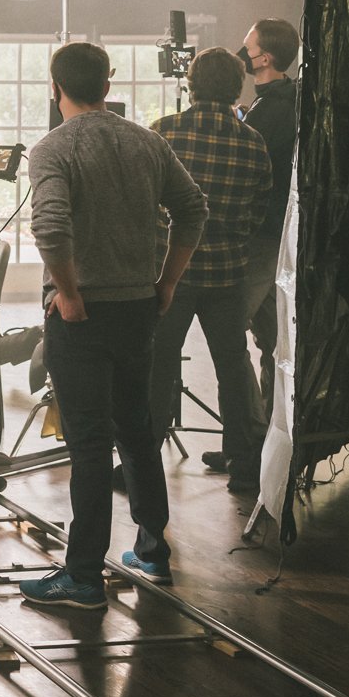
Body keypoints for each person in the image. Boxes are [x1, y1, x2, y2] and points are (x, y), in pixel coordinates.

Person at [19, 43, 206, 612]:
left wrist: (70, 294)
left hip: (83, 313)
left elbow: (49, 227)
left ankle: (82, 577)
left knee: (91, 442)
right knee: (137, 430)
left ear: (56, 87)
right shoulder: (147, 141)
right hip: (137, 307)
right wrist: (167, 281)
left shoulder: (53, 148)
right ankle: (152, 551)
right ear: (108, 83)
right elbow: (194, 208)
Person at [151, 48, 271, 492]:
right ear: (237, 89)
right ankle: (244, 465)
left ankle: (143, 464)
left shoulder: (163, 133)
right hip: (228, 273)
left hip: (170, 274)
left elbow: (146, 201)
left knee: (158, 368)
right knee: (232, 370)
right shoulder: (252, 141)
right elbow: (259, 211)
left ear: (191, 84)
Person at [236, 17, 298, 439]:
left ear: (266, 57)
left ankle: (249, 436)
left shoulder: (277, 106)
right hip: (273, 235)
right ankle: (264, 435)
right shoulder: (274, 103)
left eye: (249, 45)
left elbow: (252, 165)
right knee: (273, 343)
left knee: (231, 336)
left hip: (262, 238)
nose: (243, 50)